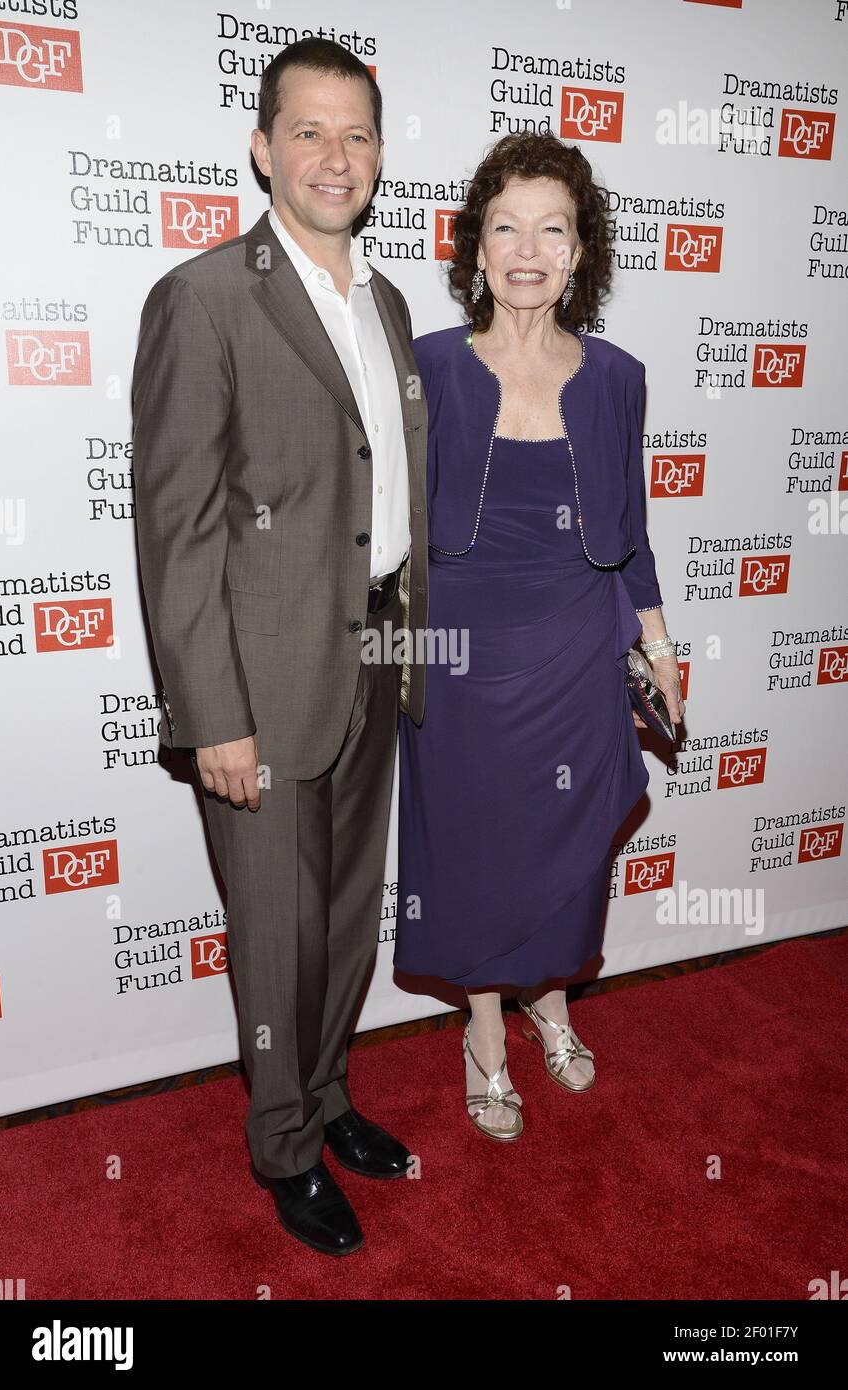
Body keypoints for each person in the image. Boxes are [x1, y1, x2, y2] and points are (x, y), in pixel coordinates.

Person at [131, 38, 429, 1254]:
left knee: (349, 917)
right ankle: (283, 1147)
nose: (334, 155)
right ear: (262, 147)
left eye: (355, 133)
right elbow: (177, 527)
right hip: (259, 680)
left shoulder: (388, 301)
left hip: (371, 654)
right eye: (307, 130)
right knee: (276, 930)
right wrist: (214, 714)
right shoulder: (203, 299)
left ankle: (329, 1095)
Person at [394, 132, 685, 1141]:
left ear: (577, 251)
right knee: (473, 847)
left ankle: (548, 1003)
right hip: (462, 657)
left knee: (564, 847)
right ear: (475, 247)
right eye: (504, 227)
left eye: (549, 229)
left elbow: (630, 528)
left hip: (572, 650)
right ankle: (482, 1032)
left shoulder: (615, 377)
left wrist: (654, 641)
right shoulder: (425, 366)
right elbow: (385, 527)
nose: (526, 249)